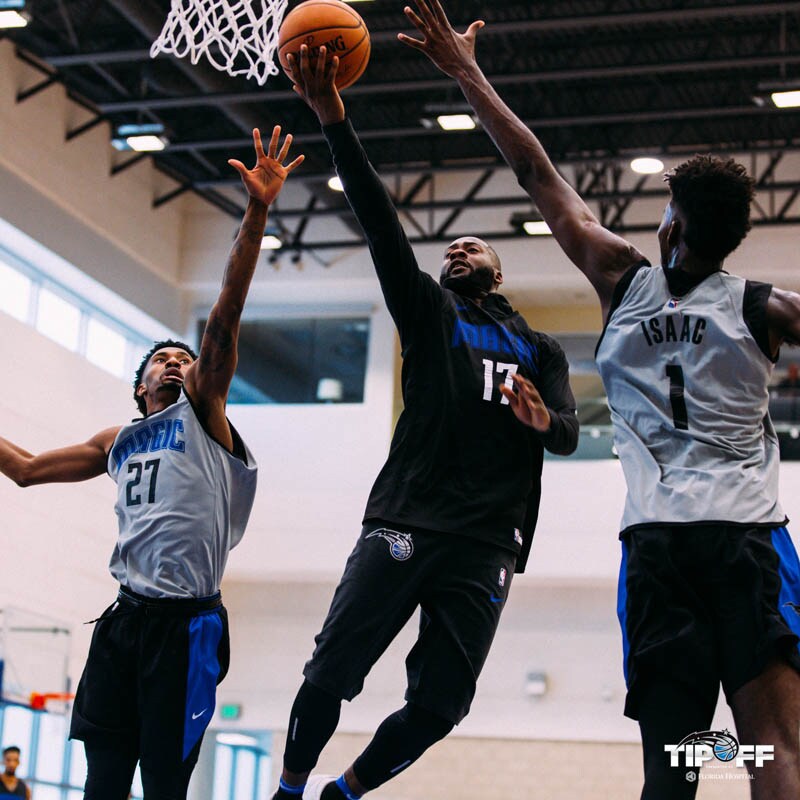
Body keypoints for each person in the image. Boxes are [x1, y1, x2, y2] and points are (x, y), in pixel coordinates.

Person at [398, 1, 800, 797]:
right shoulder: (769, 307)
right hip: (749, 545)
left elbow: (537, 174)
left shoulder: (623, 280)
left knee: (674, 766)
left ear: (673, 227)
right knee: (777, 752)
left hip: (660, 550)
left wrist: (469, 73)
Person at [270, 44, 579, 800]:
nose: (457, 248)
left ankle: (344, 791)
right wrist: (334, 119)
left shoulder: (539, 350)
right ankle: (288, 786)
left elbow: (570, 432)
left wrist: (543, 422)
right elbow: (380, 222)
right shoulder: (430, 313)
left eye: (472, 245)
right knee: (331, 671)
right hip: (408, 517)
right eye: (450, 247)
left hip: (486, 541)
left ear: (499, 270)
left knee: (443, 705)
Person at [0, 126, 303, 799]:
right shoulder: (118, 440)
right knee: (103, 781)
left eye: (184, 358)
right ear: (141, 387)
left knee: (165, 785)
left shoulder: (204, 418)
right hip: (124, 620)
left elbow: (222, 320)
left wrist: (255, 210)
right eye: (160, 359)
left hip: (188, 625)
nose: (175, 361)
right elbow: (21, 468)